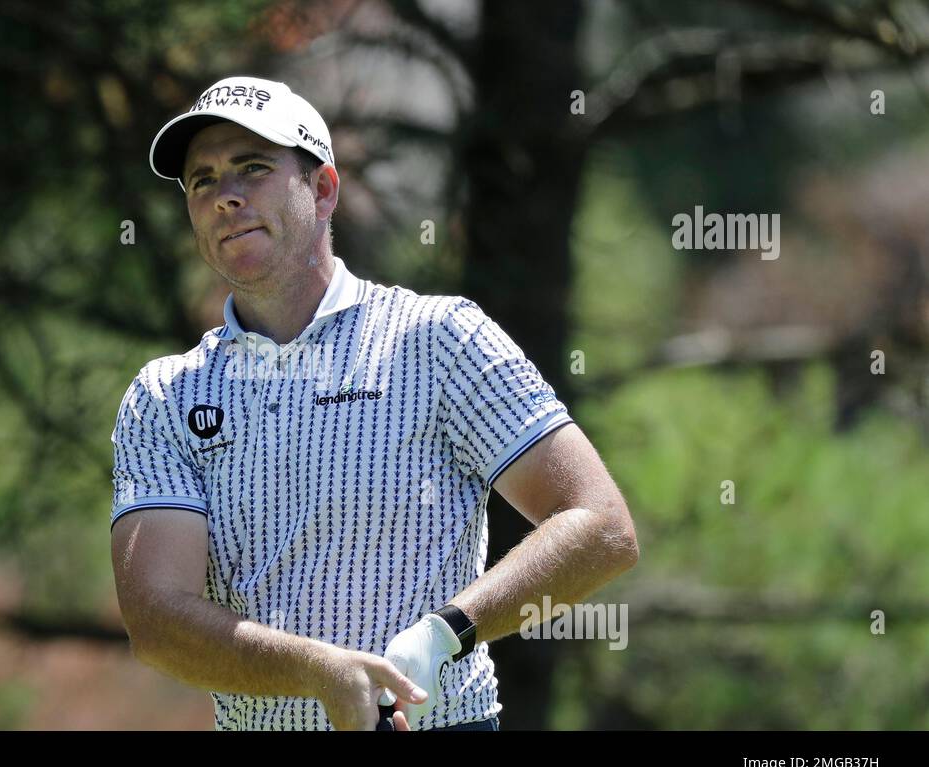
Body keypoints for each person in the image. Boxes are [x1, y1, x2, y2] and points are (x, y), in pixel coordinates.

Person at [109, 75, 639, 731]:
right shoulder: (165, 397)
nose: (227, 197)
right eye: (203, 180)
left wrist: (446, 633)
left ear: (324, 189)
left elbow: (600, 525)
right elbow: (158, 619)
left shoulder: (440, 339)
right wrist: (319, 670)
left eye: (253, 168)